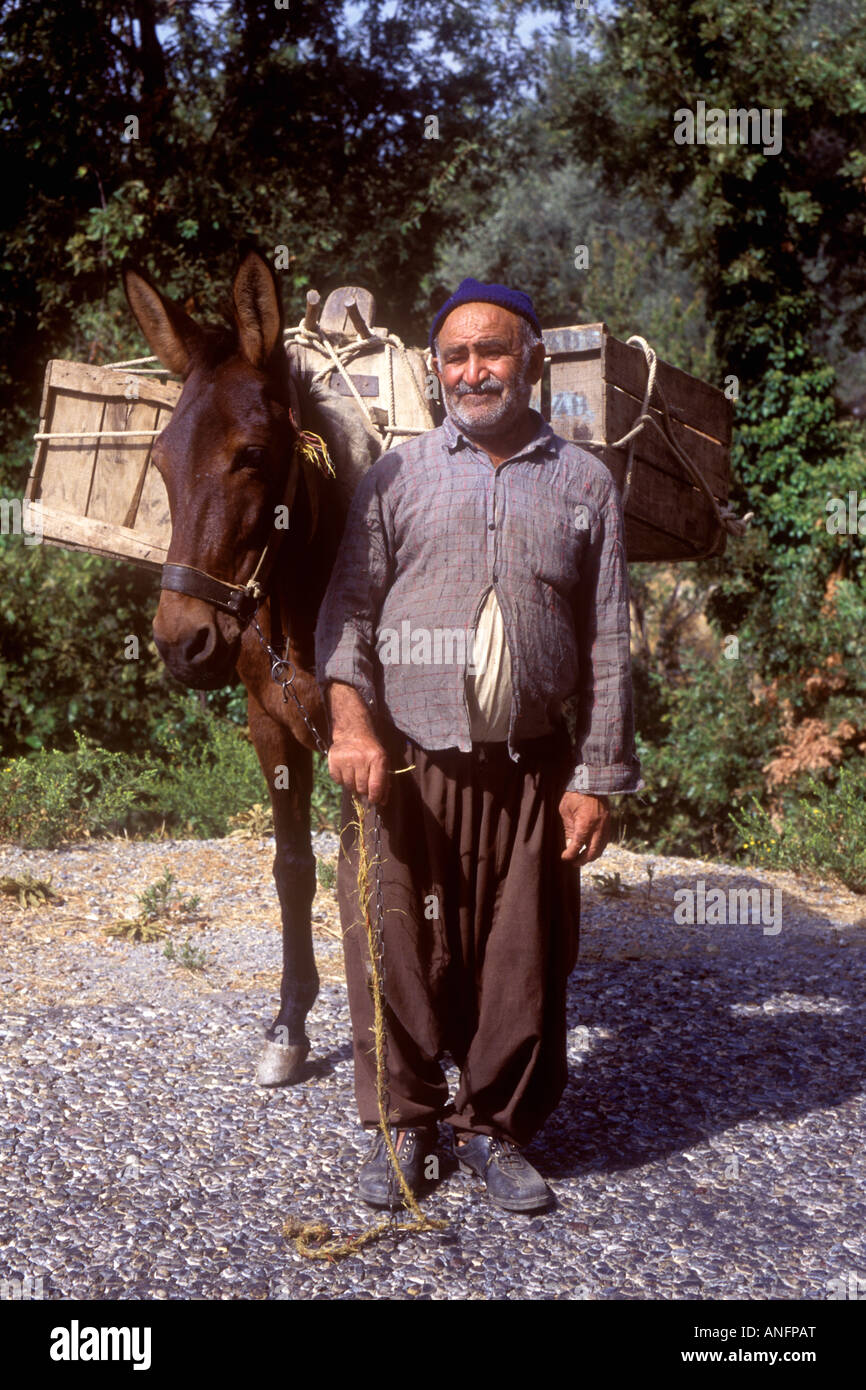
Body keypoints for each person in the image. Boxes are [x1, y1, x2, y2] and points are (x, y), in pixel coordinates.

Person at [314, 278, 643, 1213]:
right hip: (406, 766)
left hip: (534, 765)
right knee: (389, 939)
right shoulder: (399, 477)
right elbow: (348, 612)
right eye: (455, 356)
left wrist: (598, 776)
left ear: (531, 360)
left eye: (492, 352)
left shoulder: (583, 482)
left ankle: (494, 1129)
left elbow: (610, 639)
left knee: (525, 956)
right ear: (435, 369)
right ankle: (406, 1124)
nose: (474, 371)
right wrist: (351, 722)